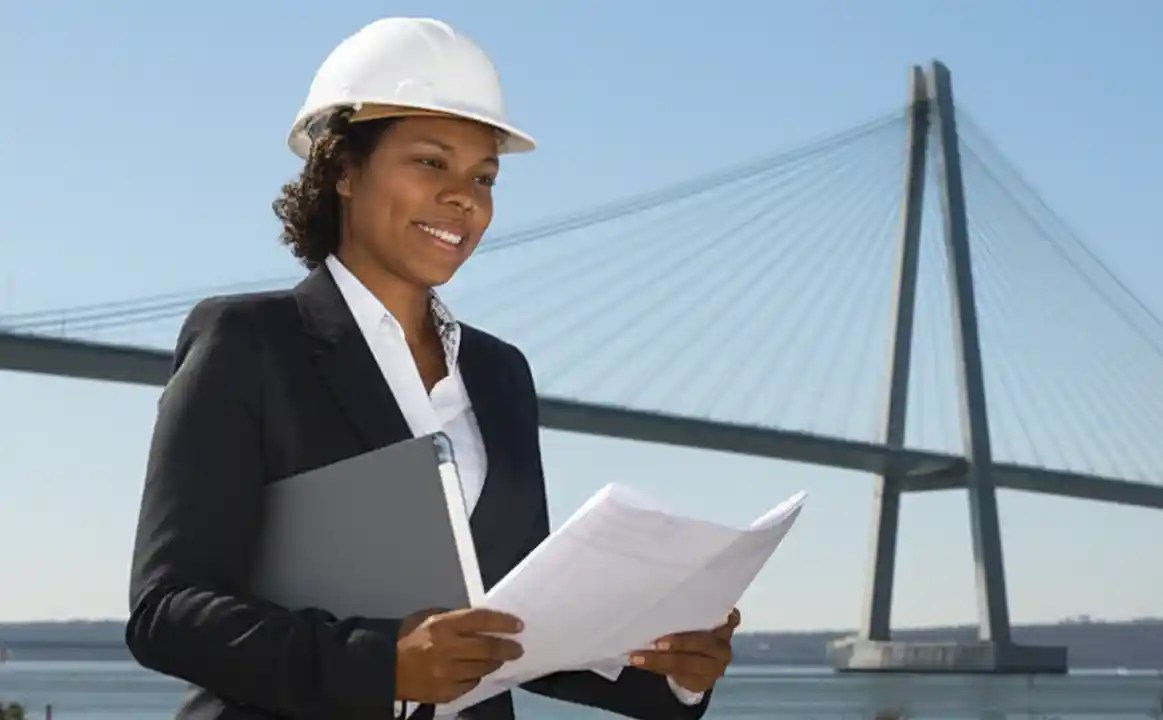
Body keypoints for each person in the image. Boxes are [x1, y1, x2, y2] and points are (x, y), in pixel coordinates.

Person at [124, 16, 738, 720]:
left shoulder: (500, 373)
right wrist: (383, 664)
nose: (465, 198)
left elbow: (511, 626)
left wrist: (667, 668)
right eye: (430, 162)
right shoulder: (248, 344)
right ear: (344, 170)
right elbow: (166, 613)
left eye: (484, 176)